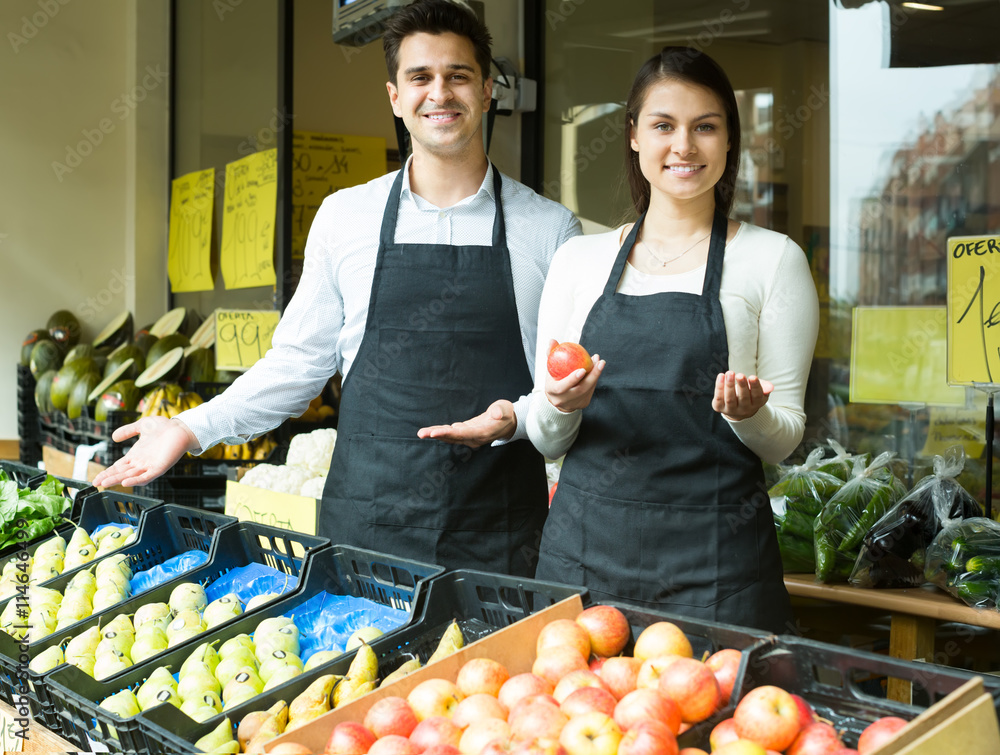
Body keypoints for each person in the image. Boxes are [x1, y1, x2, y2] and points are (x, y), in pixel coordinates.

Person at [92, 0, 581, 577]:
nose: (440, 93)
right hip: (368, 528)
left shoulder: (550, 230)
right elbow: (297, 366)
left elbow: (562, 394)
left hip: (502, 537)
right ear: (395, 97)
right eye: (419, 77)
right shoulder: (346, 217)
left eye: (459, 75)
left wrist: (518, 418)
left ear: (488, 89)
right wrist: (189, 427)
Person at [526, 47, 819, 633]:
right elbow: (542, 433)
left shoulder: (772, 260)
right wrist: (558, 405)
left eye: (704, 127)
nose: (683, 146)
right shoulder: (578, 260)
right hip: (585, 559)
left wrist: (749, 416)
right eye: (663, 125)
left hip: (717, 568)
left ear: (730, 140)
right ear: (634, 136)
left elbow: (783, 440)